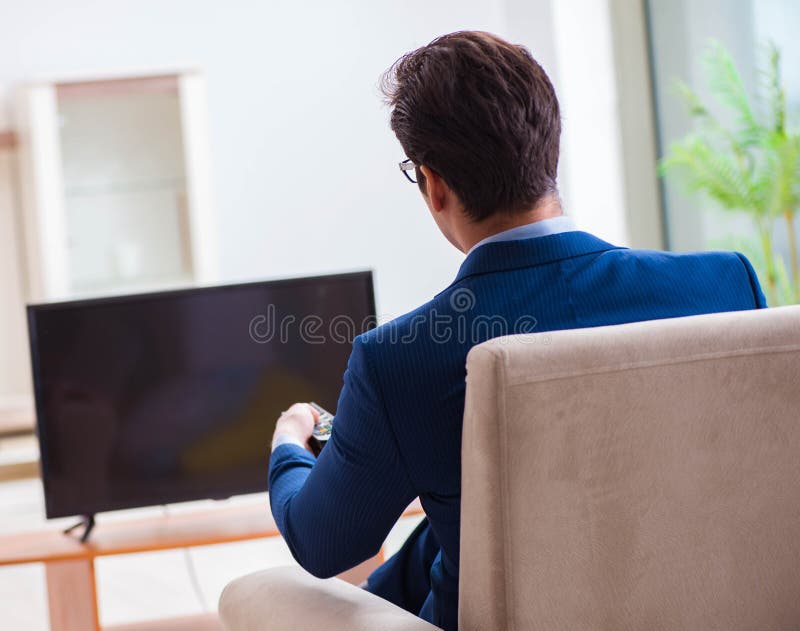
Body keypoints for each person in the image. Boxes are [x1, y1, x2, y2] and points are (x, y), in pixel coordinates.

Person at [266, 31, 766, 630]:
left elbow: (323, 544)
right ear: (550, 148)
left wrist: (290, 442)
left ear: (434, 185)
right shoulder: (724, 286)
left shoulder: (400, 361)